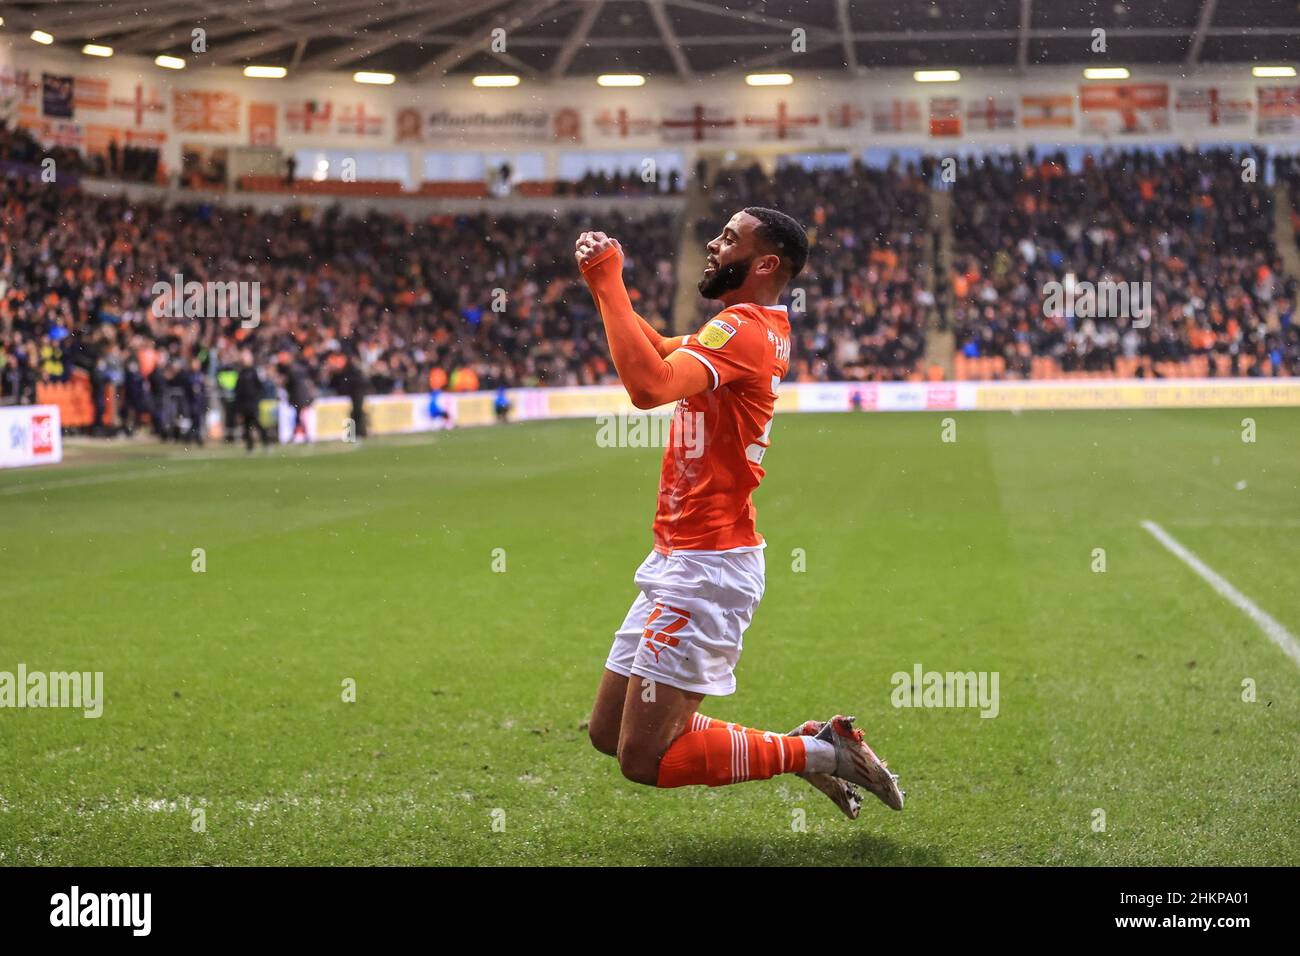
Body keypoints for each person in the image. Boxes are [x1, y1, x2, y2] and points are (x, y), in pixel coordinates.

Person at [575, 208, 904, 820]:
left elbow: (648, 388)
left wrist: (607, 278)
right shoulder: (749, 327)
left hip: (707, 568)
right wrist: (605, 291)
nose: (712, 242)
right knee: (608, 729)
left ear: (765, 263)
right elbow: (659, 349)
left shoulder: (744, 330)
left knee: (643, 758)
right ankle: (814, 746)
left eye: (729, 238)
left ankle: (816, 753)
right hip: (679, 556)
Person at [234, 350, 270, 452]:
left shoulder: (254, 372)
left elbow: (260, 387)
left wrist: (257, 399)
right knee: (246, 426)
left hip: (252, 403)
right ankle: (249, 446)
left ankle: (266, 442)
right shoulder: (241, 373)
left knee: (257, 423)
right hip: (244, 404)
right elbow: (238, 390)